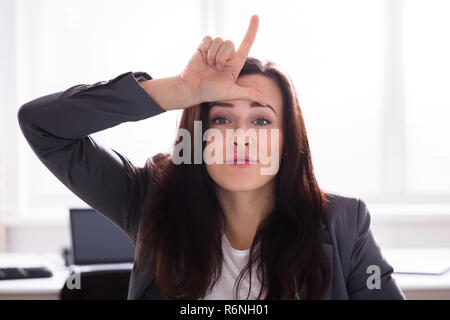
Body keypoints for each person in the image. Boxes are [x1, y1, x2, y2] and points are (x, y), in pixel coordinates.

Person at [17, 15, 405, 300]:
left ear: (289, 143)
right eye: (221, 118)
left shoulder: (344, 223)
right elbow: (42, 124)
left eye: (261, 120)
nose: (240, 137)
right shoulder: (150, 199)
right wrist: (178, 91)